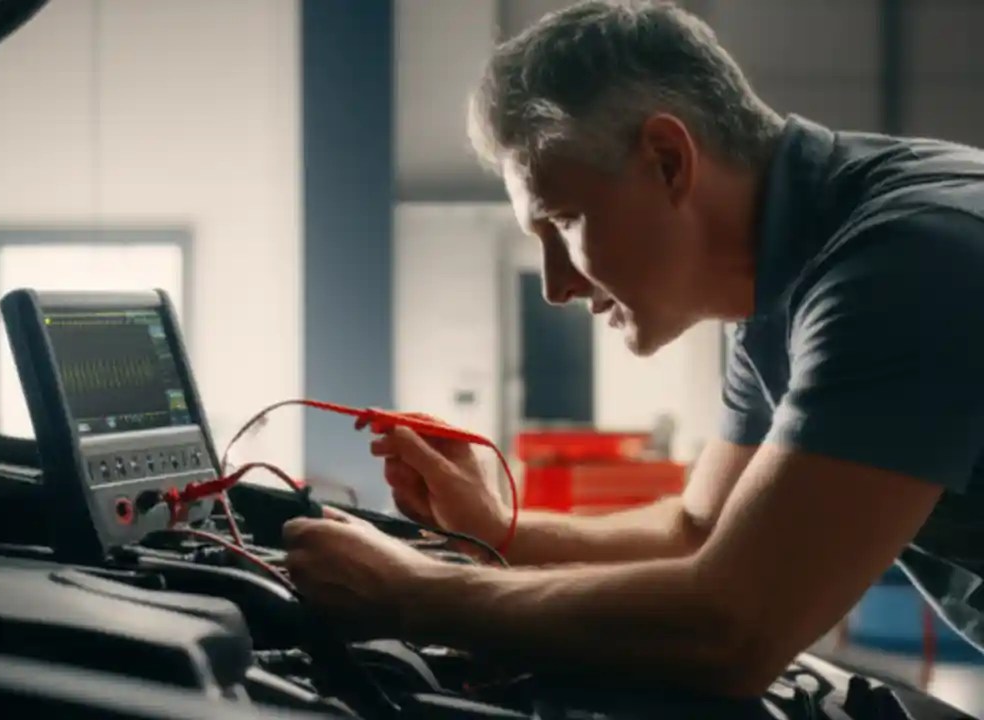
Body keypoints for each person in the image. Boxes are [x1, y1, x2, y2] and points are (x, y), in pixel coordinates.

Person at [281, 0, 984, 697]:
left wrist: (414, 593)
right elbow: (696, 531)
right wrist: (499, 529)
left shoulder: (903, 259)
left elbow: (732, 630)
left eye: (563, 220)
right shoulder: (781, 280)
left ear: (668, 160)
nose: (555, 285)